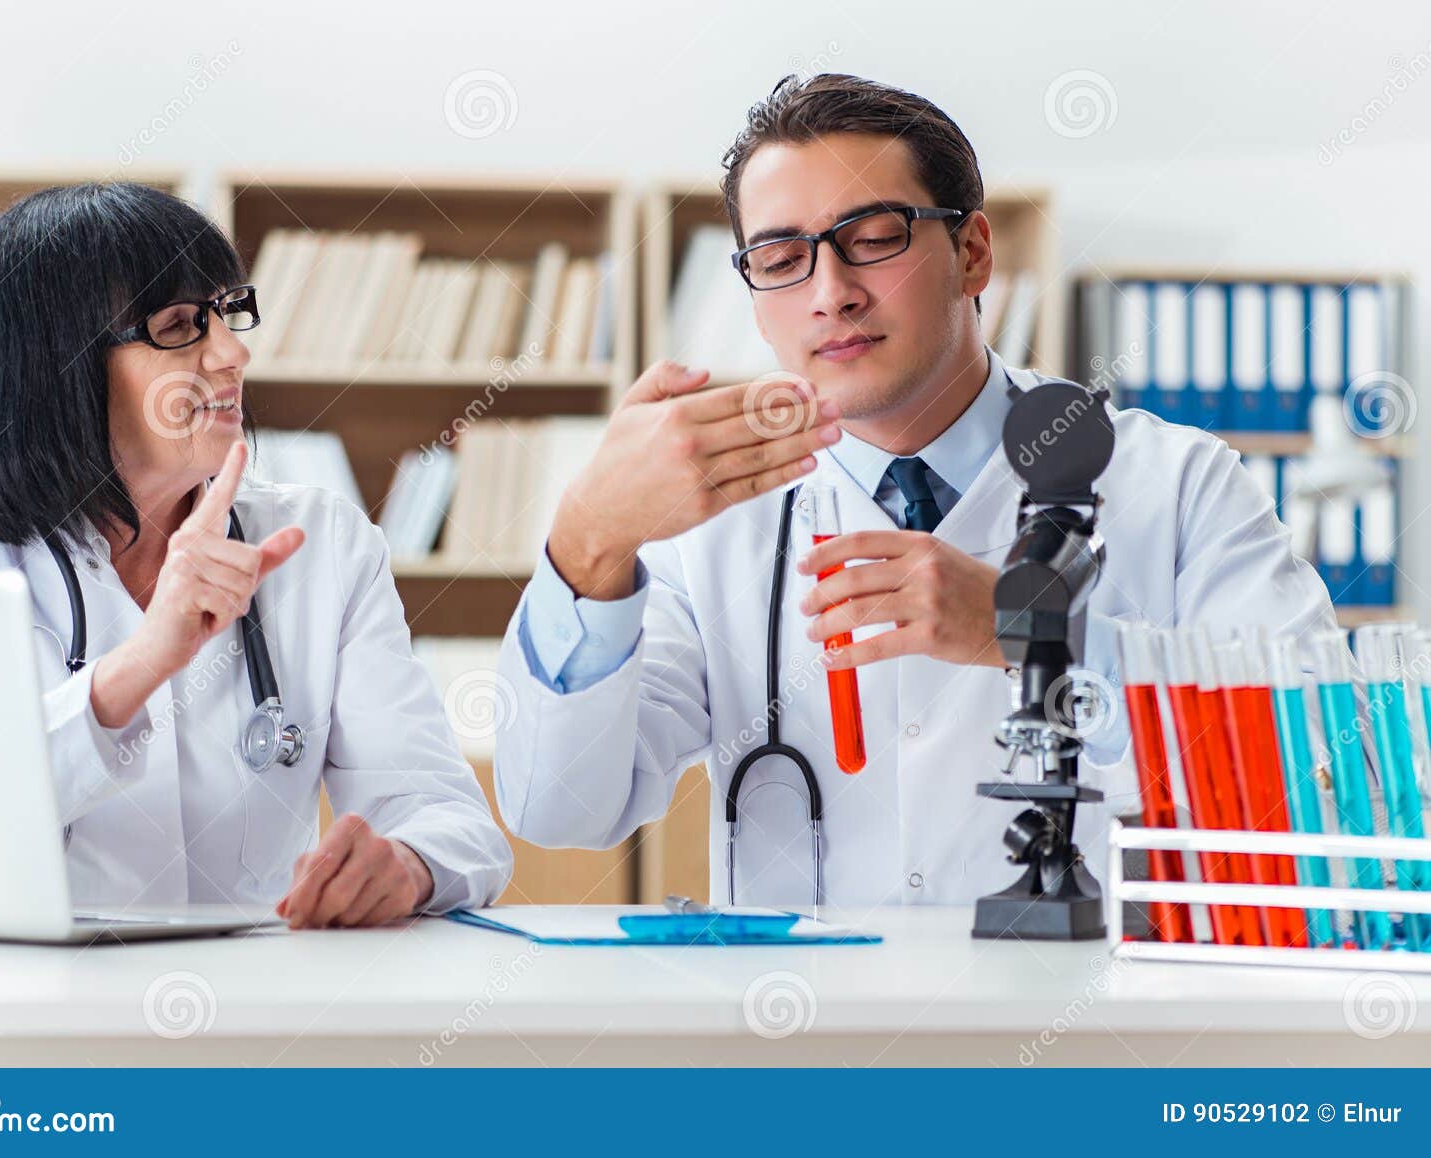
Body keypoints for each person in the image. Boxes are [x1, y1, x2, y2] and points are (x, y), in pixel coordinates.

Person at [491, 74, 1337, 907]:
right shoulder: (710, 521)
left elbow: (1322, 778)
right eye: (783, 259)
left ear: (973, 254)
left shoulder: (1176, 482)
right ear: (755, 300)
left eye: (873, 237)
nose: (832, 294)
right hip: (807, 1034)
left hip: (1094, 1027)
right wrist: (588, 542)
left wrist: (1042, 641)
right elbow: (560, 808)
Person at [0, 182, 511, 927]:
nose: (234, 353)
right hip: (31, 1021)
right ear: (55, 366)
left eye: (227, 313)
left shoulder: (321, 544)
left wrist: (407, 865)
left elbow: (448, 818)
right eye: (181, 324)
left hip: (258, 1020)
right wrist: (144, 659)